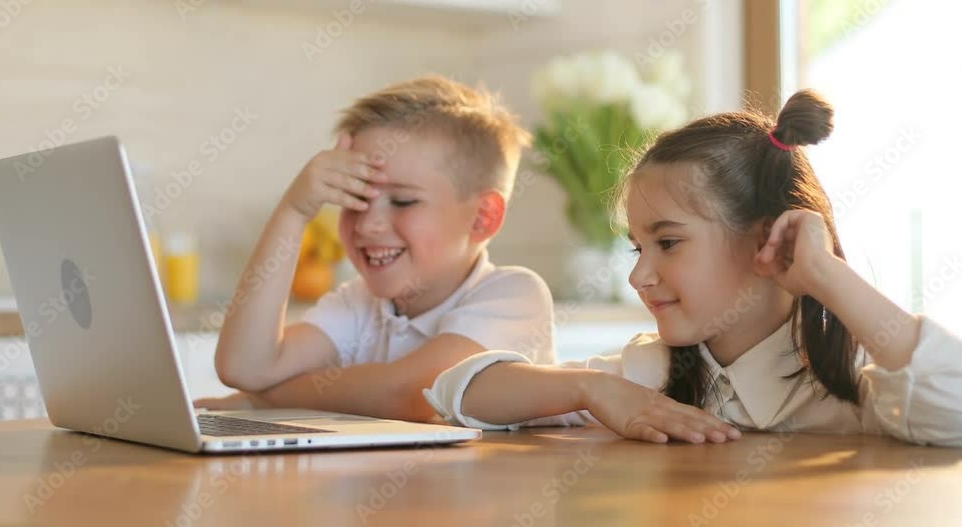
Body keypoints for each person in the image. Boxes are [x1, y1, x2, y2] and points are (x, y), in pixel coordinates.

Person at [424, 89, 962, 446]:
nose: (639, 277)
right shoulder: (652, 377)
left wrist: (825, 273)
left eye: (669, 243)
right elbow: (460, 392)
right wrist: (589, 389)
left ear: (768, 240)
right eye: (639, 248)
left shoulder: (855, 383)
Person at [196, 76, 555, 422]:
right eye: (355, 199)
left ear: (482, 217)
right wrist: (295, 210)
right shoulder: (359, 303)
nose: (368, 225)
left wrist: (264, 400)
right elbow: (245, 367)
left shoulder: (513, 296)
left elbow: (409, 395)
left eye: (402, 201)